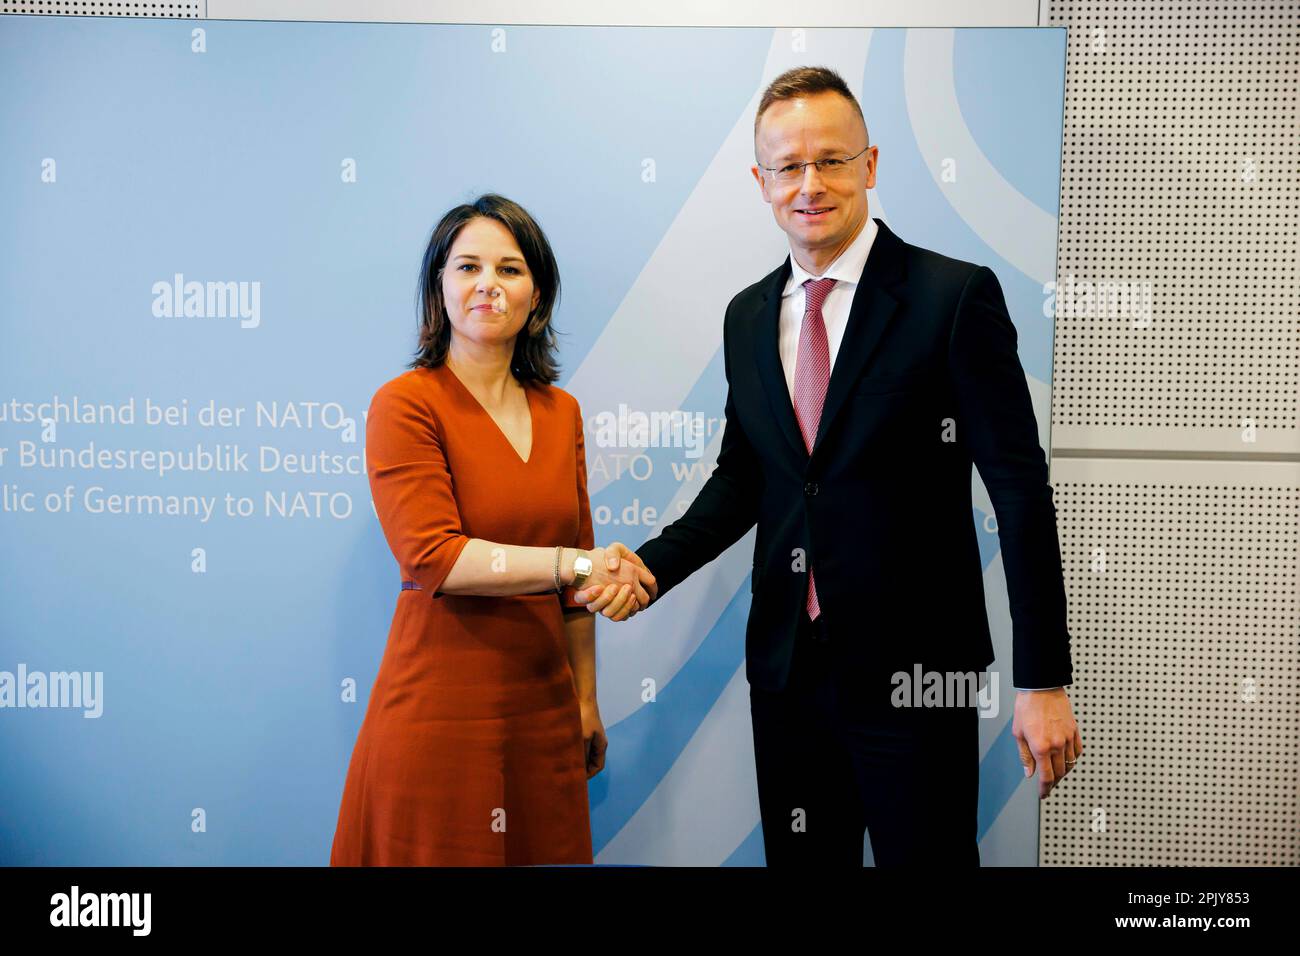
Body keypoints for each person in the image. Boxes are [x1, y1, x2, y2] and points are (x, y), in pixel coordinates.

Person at [578, 67, 1083, 866]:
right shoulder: (748, 314)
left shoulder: (951, 298)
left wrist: (1043, 680)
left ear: (871, 165)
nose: (810, 184)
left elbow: (1020, 494)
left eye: (832, 160)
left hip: (917, 680)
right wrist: (648, 567)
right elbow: (744, 479)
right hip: (789, 679)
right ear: (761, 180)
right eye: (788, 166)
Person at [330, 194, 654, 866]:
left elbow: (577, 586)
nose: (487, 284)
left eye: (509, 269)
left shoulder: (561, 412)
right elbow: (434, 559)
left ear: (537, 297)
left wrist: (585, 700)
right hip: (438, 710)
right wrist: (578, 565)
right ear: (439, 288)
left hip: (542, 709)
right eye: (467, 266)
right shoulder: (405, 403)